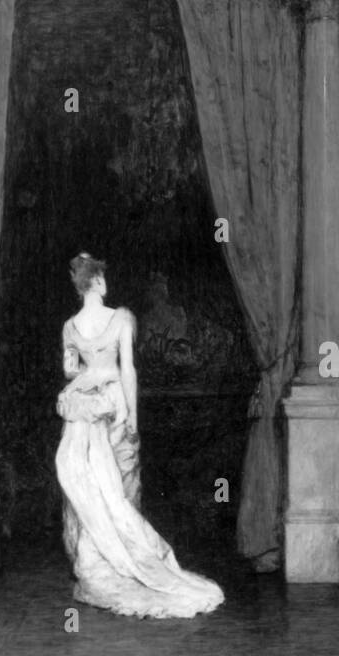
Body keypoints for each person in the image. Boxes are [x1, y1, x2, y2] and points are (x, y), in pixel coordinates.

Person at [55, 252, 224, 618]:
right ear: (98, 282)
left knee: (94, 485)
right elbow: (127, 371)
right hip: (114, 403)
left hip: (86, 406)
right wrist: (130, 416)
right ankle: (124, 560)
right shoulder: (121, 319)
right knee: (119, 483)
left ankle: (99, 560)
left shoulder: (70, 326)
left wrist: (89, 373)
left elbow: (70, 370)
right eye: (102, 277)